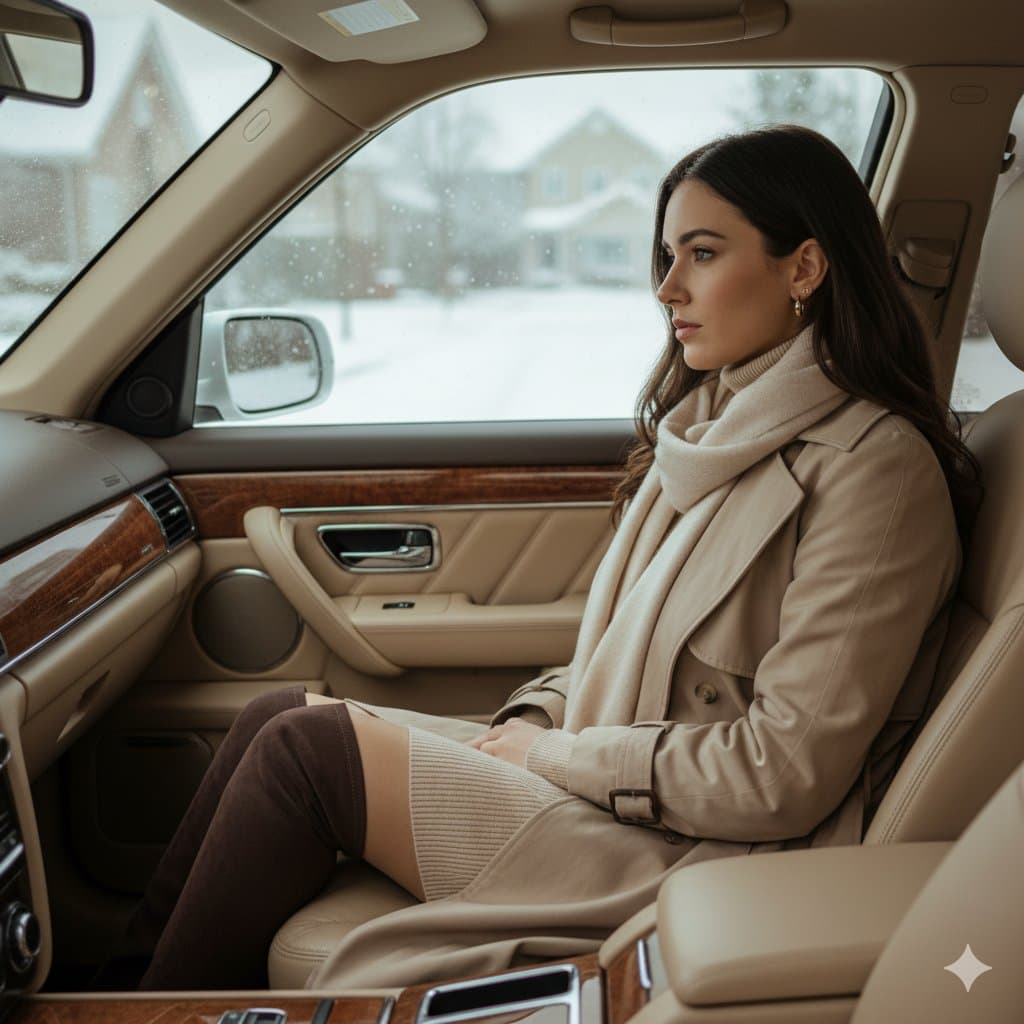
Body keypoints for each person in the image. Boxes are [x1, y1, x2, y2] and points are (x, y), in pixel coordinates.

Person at [100, 123, 981, 993]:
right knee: (274, 712)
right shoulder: (712, 434)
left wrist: (558, 760)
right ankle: (122, 998)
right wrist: (533, 721)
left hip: (701, 846)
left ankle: (146, 1014)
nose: (668, 287)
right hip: (615, 788)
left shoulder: (876, 473)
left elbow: (781, 776)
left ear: (804, 268)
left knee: (305, 750)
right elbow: (620, 656)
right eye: (666, 256)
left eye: (702, 254)